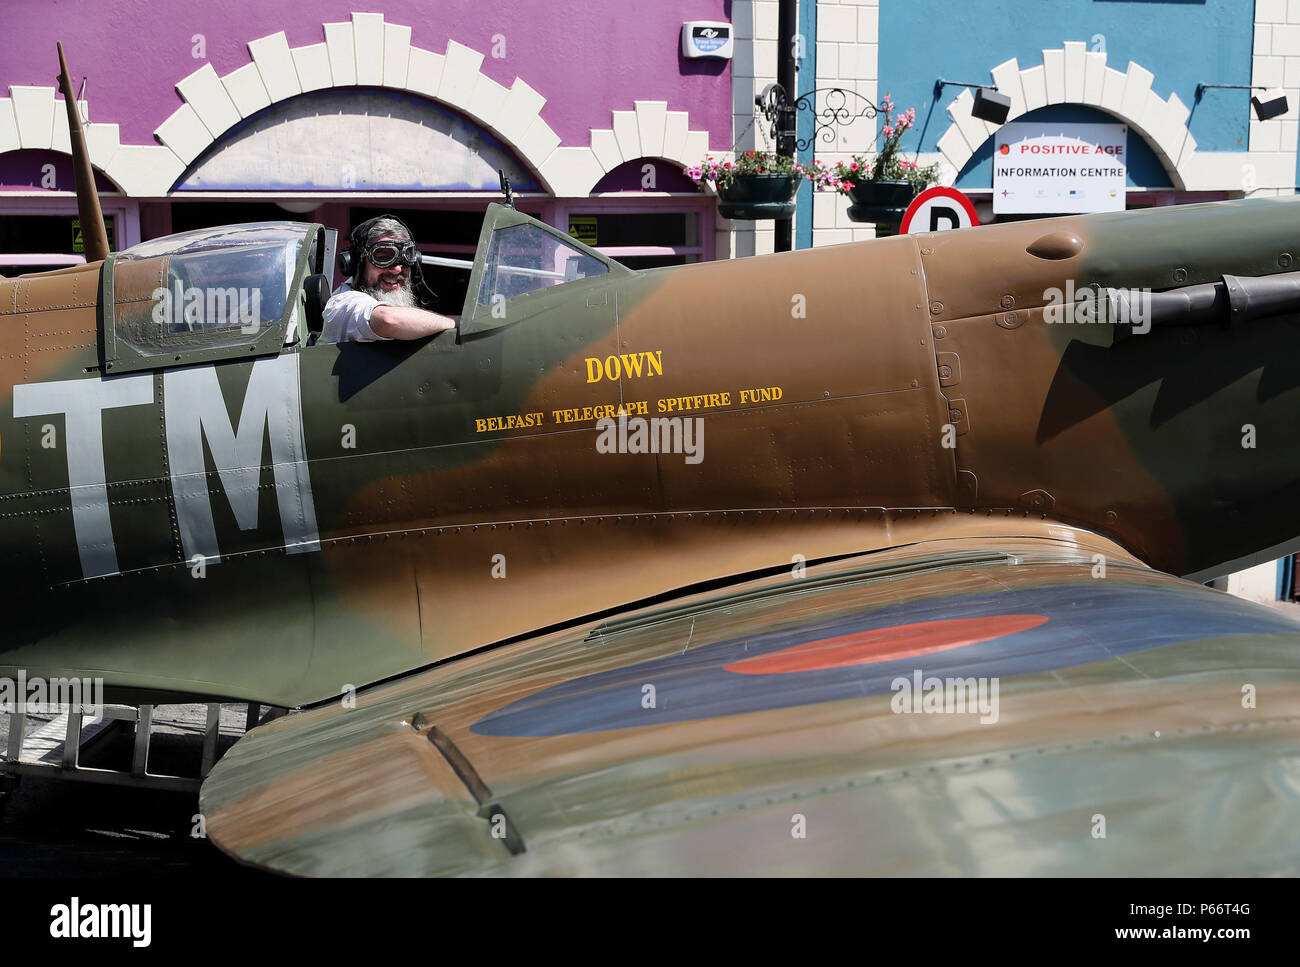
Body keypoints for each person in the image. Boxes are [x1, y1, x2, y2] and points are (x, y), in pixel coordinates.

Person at [323, 215, 457, 342]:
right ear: (357, 264)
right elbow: (388, 320)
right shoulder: (343, 303)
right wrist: (457, 323)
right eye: (382, 258)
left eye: (405, 258)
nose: (397, 269)